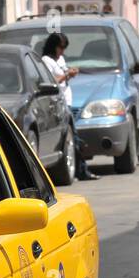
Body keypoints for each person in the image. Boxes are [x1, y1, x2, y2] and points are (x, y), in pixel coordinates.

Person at [41, 32, 100, 181]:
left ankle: (80, 169)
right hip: (59, 102)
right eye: (60, 48)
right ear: (53, 46)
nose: (62, 51)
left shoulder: (60, 59)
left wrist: (69, 71)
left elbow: (63, 72)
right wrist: (68, 75)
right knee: (73, 136)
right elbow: (53, 80)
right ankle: (82, 170)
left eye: (64, 48)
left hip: (68, 101)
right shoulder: (46, 60)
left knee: (74, 136)